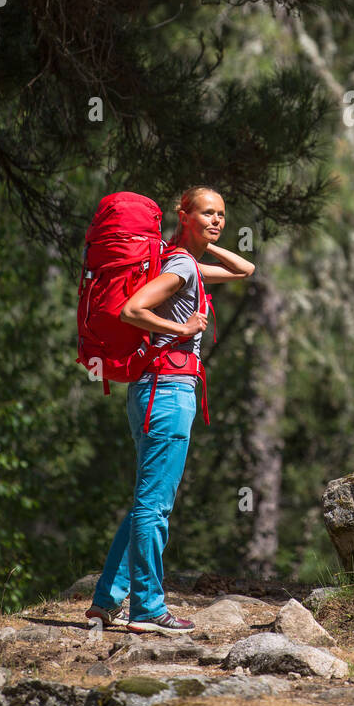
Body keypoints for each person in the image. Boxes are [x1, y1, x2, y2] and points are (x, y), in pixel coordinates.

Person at [85, 186, 255, 634]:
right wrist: (181, 326)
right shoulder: (179, 265)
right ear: (184, 214)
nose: (217, 220)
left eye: (221, 214)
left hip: (157, 389)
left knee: (147, 501)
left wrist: (204, 239)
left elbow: (245, 269)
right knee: (154, 507)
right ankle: (147, 610)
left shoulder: (182, 261)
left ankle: (105, 601)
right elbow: (132, 309)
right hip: (167, 389)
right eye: (206, 213)